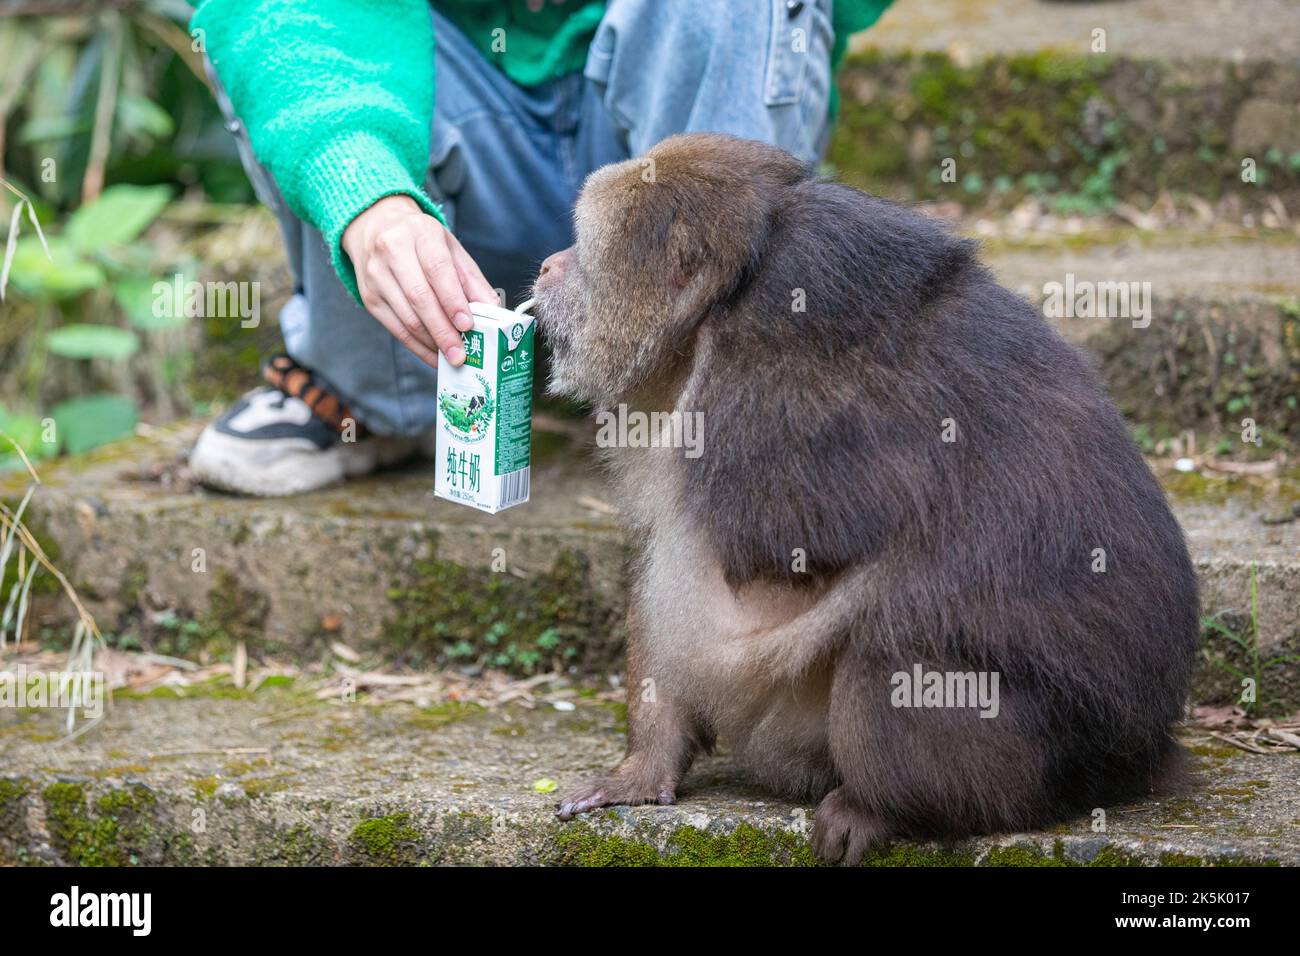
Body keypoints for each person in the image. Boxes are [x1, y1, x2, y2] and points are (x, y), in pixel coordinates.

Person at [188, 0, 894, 496]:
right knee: (272, 28)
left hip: (658, 121)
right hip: (445, 119)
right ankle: (382, 393)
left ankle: (733, 406)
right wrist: (367, 193)